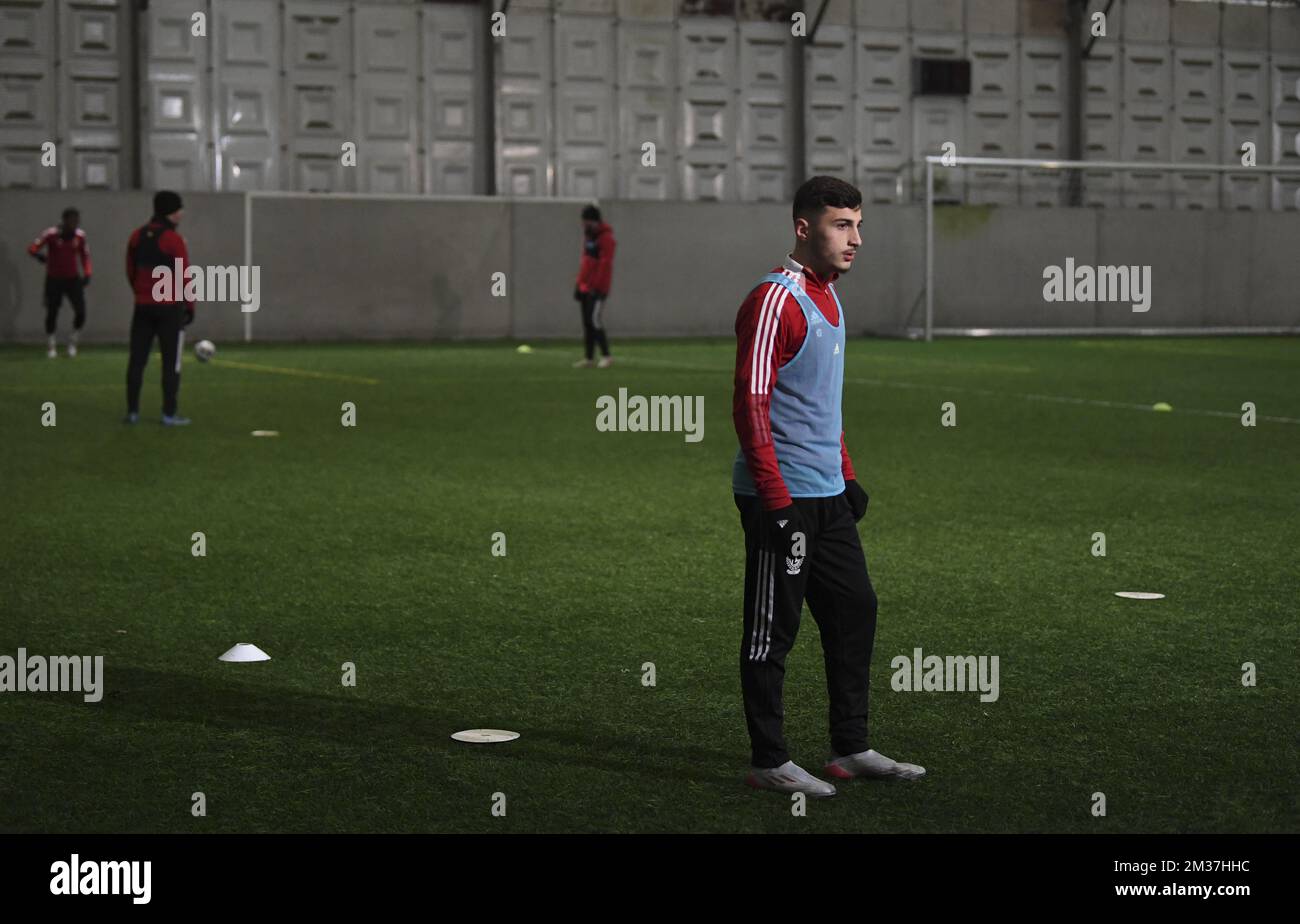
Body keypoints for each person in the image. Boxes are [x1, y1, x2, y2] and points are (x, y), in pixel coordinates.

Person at [731, 175, 925, 797]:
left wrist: (846, 475)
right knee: (772, 629)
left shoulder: (833, 301)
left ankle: (851, 745)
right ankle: (770, 759)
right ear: (803, 227)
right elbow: (750, 405)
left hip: (826, 494)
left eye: (858, 225)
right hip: (779, 496)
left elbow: (824, 404)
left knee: (854, 610)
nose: (855, 238)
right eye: (843, 225)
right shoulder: (773, 301)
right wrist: (776, 500)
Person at [124, 190, 195, 426]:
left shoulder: (137, 235)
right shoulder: (173, 240)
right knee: (170, 362)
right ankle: (169, 413)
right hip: (168, 308)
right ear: (171, 212)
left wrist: (140, 292)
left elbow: (130, 270)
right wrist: (190, 305)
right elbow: (184, 274)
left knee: (137, 360)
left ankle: (133, 412)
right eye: (179, 209)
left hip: (142, 306)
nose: (182, 213)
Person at [28, 208, 92, 358]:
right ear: (64, 220)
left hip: (72, 279)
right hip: (54, 280)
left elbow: (85, 256)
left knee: (81, 312)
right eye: (72, 220)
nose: (75, 223)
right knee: (52, 313)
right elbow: (32, 247)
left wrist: (88, 273)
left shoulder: (80, 236)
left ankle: (73, 342)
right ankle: (51, 345)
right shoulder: (51, 234)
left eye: (76, 220)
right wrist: (39, 255)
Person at [572, 204, 616, 369]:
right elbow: (585, 262)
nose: (583, 225)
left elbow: (605, 265)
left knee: (594, 319)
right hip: (586, 286)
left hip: (598, 288)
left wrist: (596, 286)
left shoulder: (606, 238)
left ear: (594, 221)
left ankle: (606, 355)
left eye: (586, 222)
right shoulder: (589, 237)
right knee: (587, 322)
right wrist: (579, 283)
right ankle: (589, 358)